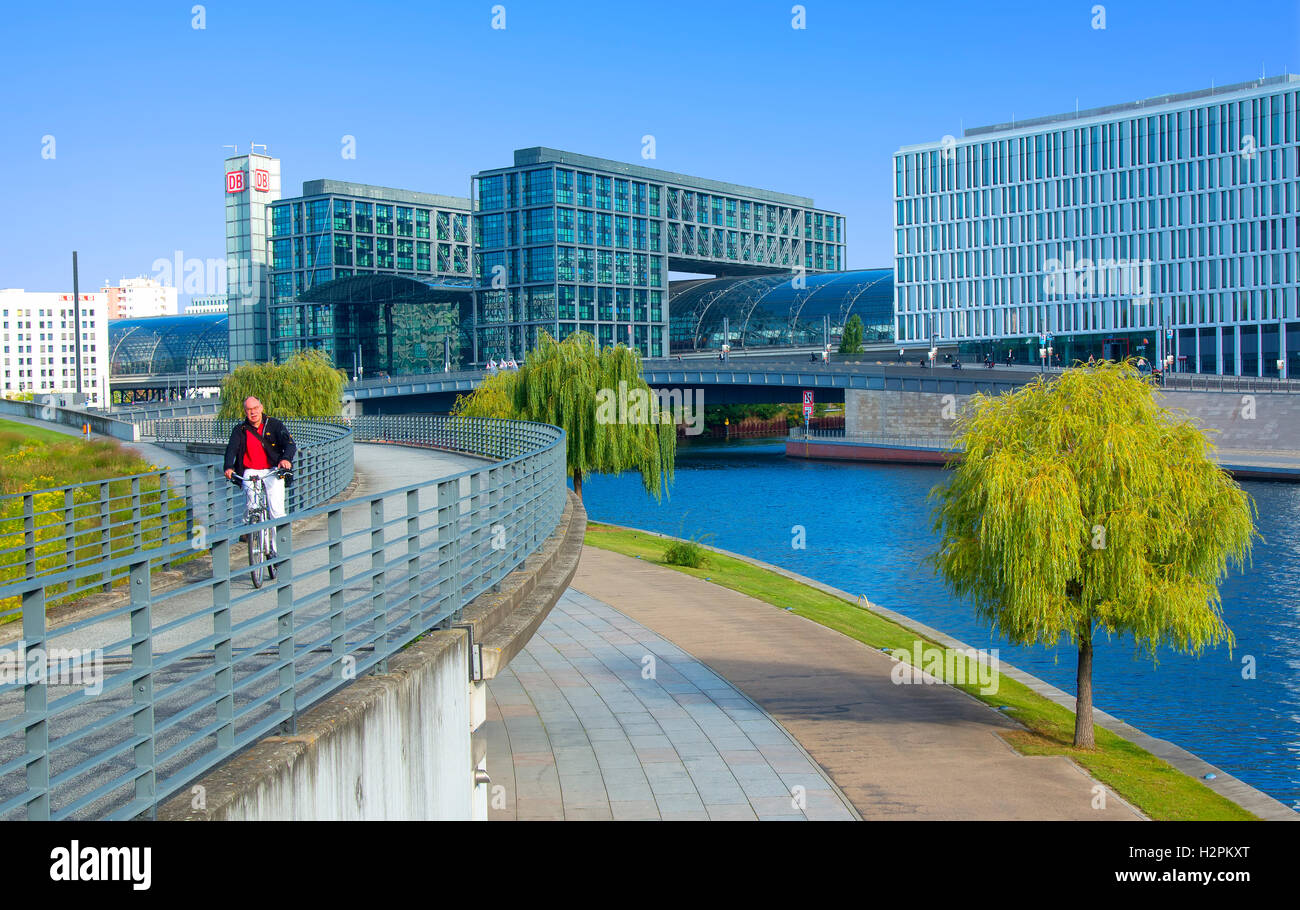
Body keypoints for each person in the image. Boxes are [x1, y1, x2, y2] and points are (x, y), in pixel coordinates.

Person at [224, 397, 296, 554]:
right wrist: (229, 467)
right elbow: (231, 449)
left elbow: (289, 445)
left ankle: (278, 550)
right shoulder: (240, 430)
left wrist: (285, 460)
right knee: (253, 506)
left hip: (272, 470)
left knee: (277, 511)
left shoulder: (275, 425)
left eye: (255, 408)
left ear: (261, 408)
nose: (253, 412)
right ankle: (257, 535)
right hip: (251, 471)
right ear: (245, 412)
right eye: (249, 409)